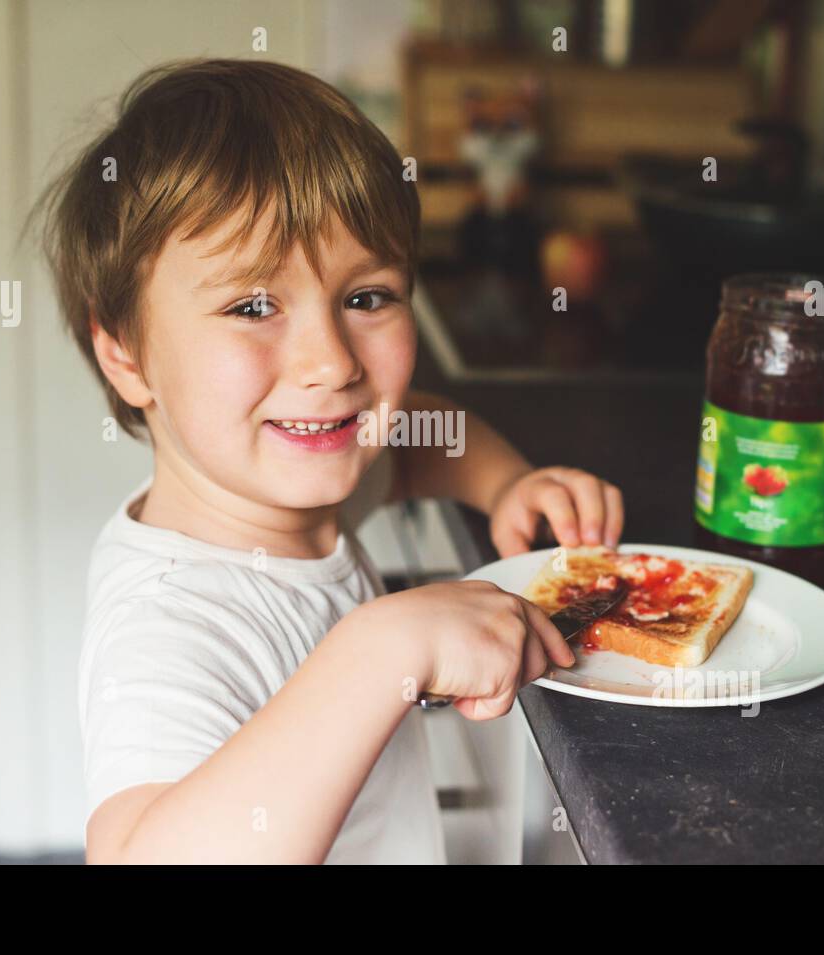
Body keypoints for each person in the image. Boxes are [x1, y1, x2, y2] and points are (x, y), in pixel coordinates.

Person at [39, 58, 624, 863]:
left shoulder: (286, 498)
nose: (332, 363)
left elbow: (414, 439)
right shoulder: (172, 618)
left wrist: (505, 482)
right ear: (127, 354)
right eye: (252, 305)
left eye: (366, 297)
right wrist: (380, 649)